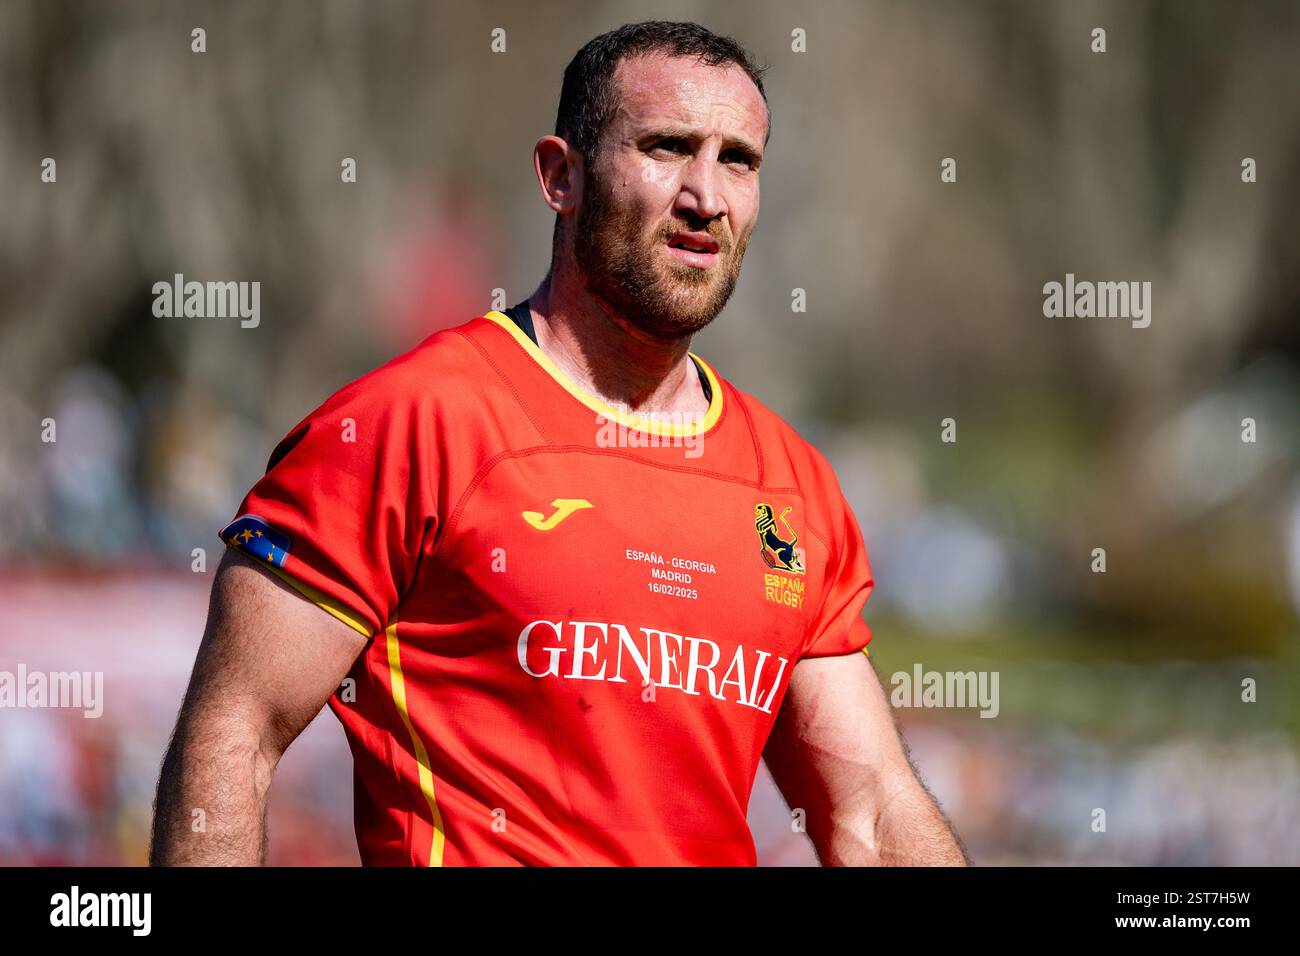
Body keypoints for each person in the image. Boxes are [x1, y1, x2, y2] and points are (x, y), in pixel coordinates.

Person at [151, 20, 968, 867]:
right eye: (667, 147)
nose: (706, 196)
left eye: (738, 160)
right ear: (559, 176)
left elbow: (870, 812)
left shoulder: (791, 485)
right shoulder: (410, 423)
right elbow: (234, 732)